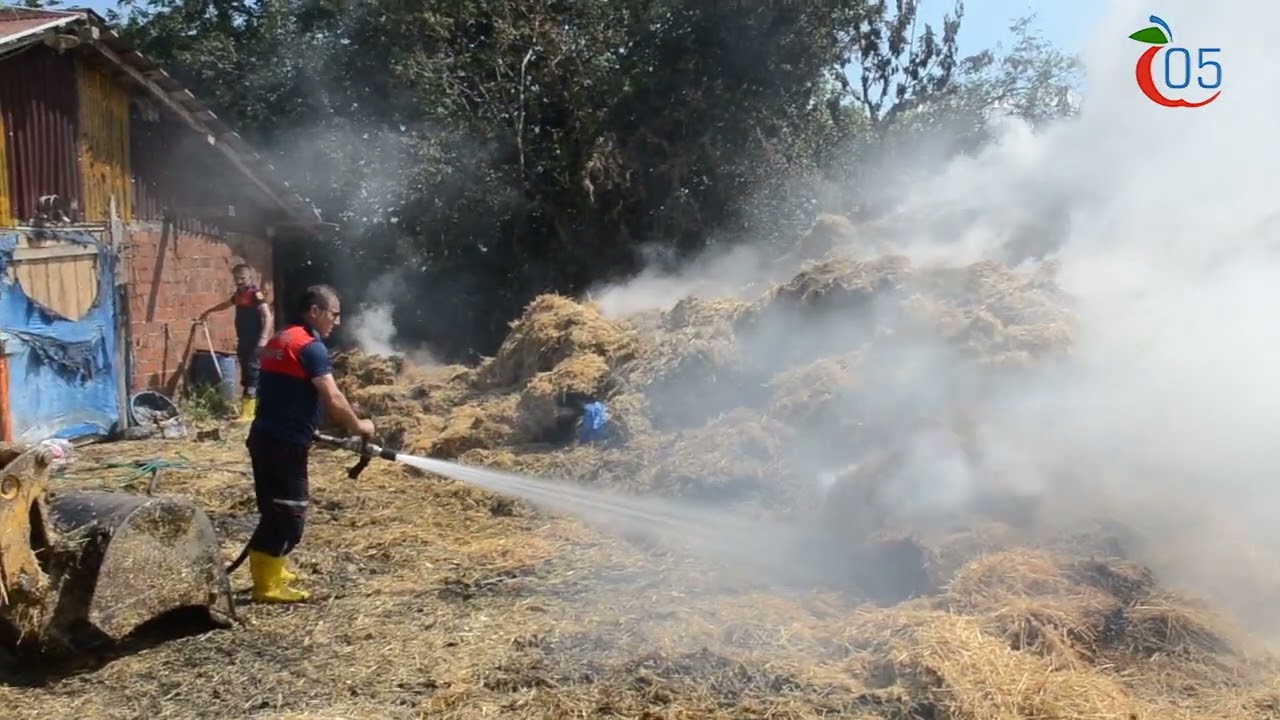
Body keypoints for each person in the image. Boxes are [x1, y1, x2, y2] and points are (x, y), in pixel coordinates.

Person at [244, 284, 375, 603]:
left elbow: (282, 393)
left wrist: (306, 427)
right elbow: (332, 396)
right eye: (334, 314)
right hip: (283, 444)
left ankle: (273, 569)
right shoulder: (310, 347)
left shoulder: (281, 339)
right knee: (290, 515)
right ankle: (266, 587)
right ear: (314, 311)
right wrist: (359, 425)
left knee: (273, 510)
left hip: (265, 437)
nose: (337, 321)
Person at [198, 264, 274, 421]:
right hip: (243, 339)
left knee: (252, 372)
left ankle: (248, 413)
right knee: (246, 371)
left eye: (242, 278)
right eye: (236, 279)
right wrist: (209, 311)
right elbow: (227, 304)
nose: (239, 282)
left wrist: (263, 339)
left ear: (249, 277)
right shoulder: (239, 294)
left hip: (254, 340)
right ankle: (250, 409)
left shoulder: (255, 294)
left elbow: (267, 316)